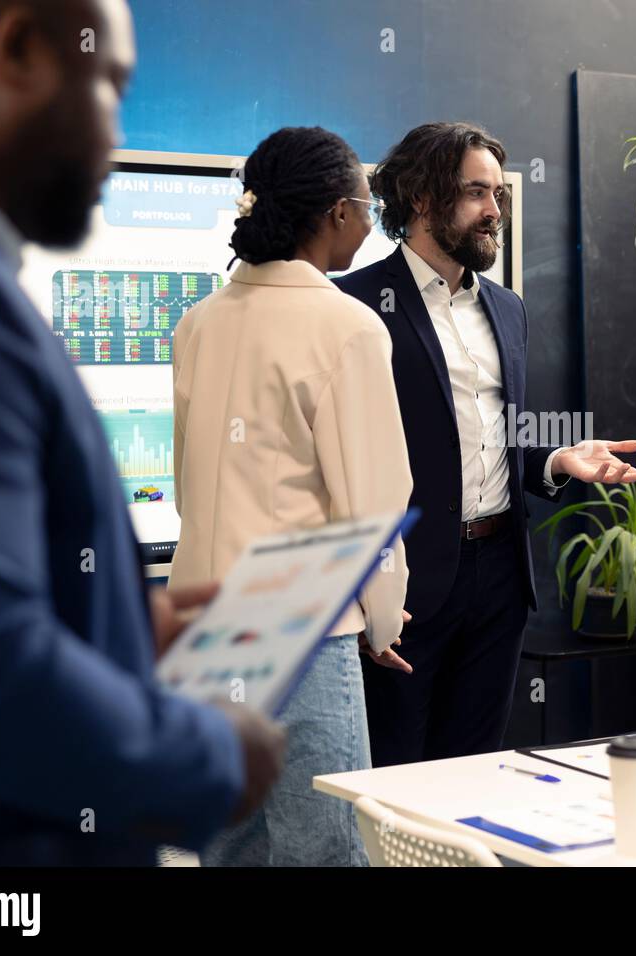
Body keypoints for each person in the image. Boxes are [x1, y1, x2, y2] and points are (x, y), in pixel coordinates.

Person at [0, 0, 284, 865]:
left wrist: (106, 630)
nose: (113, 131)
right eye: (109, 83)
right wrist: (213, 755)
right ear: (21, 49)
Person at [336, 121, 636, 767]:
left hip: (501, 579)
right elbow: (342, 466)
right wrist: (362, 593)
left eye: (498, 197)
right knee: (398, 774)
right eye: (476, 193)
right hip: (407, 584)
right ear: (421, 199)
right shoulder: (355, 304)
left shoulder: (508, 308)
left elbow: (491, 441)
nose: (493, 211)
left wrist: (557, 460)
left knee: (478, 767)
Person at [168, 126, 413, 865]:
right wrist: (381, 620)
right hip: (299, 630)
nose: (371, 227)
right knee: (328, 850)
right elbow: (371, 505)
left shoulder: (198, 322)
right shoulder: (347, 326)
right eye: (367, 207)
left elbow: (187, 482)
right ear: (337, 212)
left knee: (228, 849)